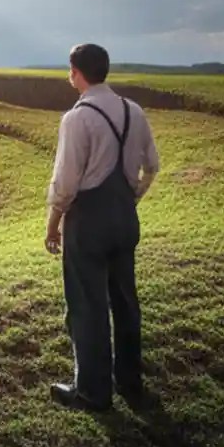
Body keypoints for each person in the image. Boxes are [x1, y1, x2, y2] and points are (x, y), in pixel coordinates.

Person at [44, 43, 160, 411]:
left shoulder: (76, 118)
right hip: (124, 218)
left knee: (87, 305)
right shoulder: (133, 111)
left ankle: (92, 391)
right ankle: (129, 380)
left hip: (88, 223)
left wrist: (52, 224)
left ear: (76, 73)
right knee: (125, 301)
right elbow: (152, 166)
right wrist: (131, 198)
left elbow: (65, 184)